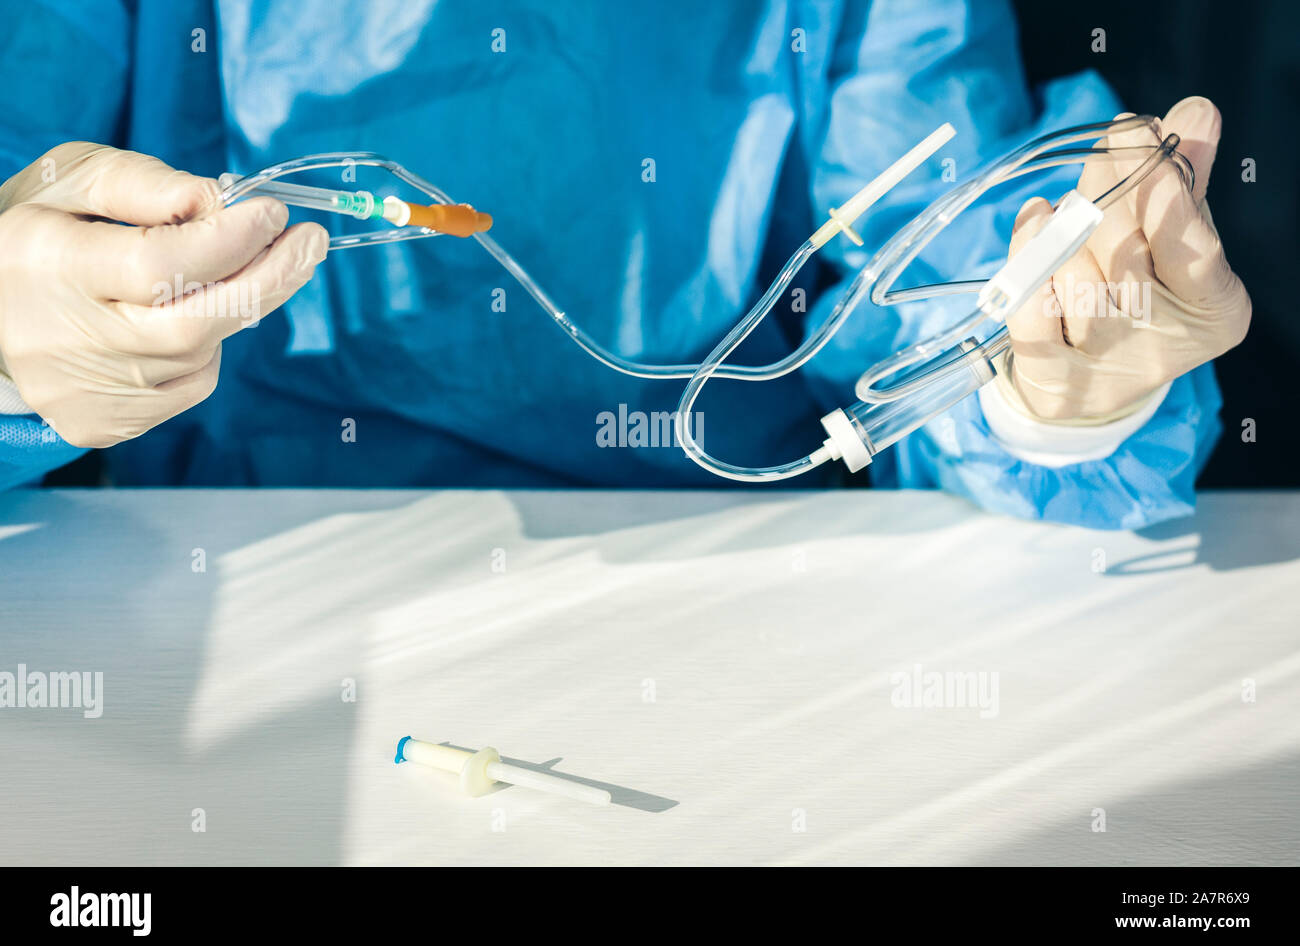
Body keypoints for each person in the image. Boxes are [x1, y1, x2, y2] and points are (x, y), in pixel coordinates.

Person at [0, 0, 1249, 529]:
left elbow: (946, 289)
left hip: (736, 605)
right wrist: (18, 350)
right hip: (240, 568)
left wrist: (1060, 383)